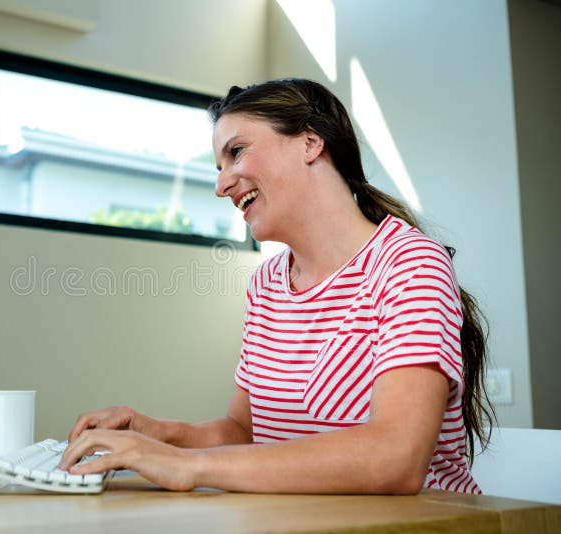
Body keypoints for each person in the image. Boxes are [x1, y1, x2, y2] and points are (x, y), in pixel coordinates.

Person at [58, 78, 495, 494]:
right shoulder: (267, 285)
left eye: (237, 152)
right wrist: (159, 433)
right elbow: (244, 432)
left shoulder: (408, 264)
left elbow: (396, 458)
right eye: (219, 165)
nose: (221, 184)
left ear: (310, 142)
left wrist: (186, 466)